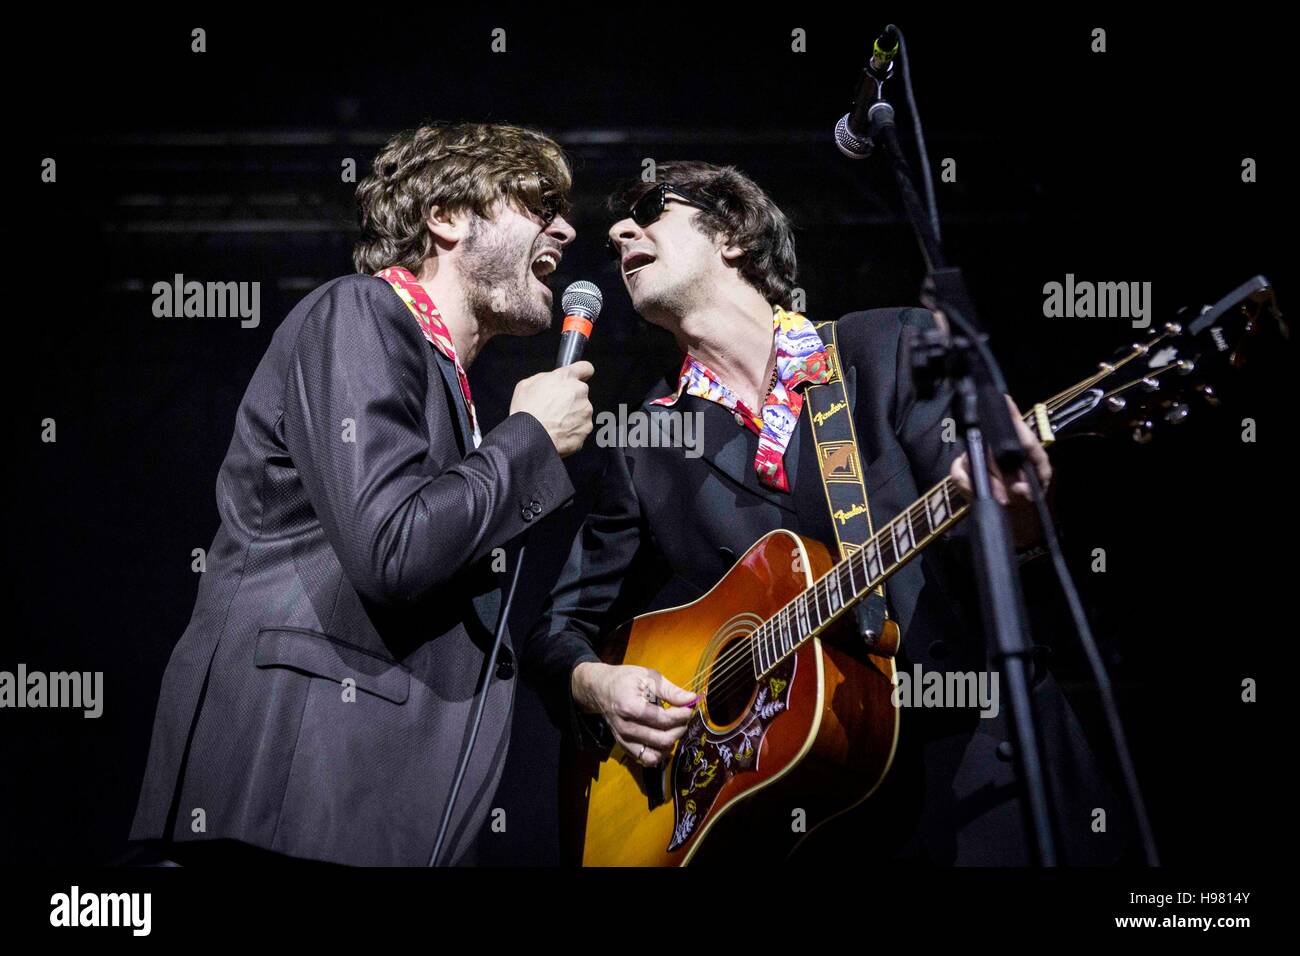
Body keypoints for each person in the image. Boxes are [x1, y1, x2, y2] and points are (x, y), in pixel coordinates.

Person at [524, 161, 1130, 865]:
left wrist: (1019, 508)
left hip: (981, 769)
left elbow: (996, 538)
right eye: (619, 227)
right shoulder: (647, 446)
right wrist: (595, 685)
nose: (622, 231)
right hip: (811, 818)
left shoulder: (889, 348)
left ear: (735, 236)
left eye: (653, 208)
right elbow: (558, 628)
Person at [130, 122, 593, 866]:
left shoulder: (442, 376)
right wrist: (528, 436)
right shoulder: (361, 313)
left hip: (361, 813)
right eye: (539, 203)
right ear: (445, 216)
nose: (567, 228)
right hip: (285, 803)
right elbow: (394, 548)